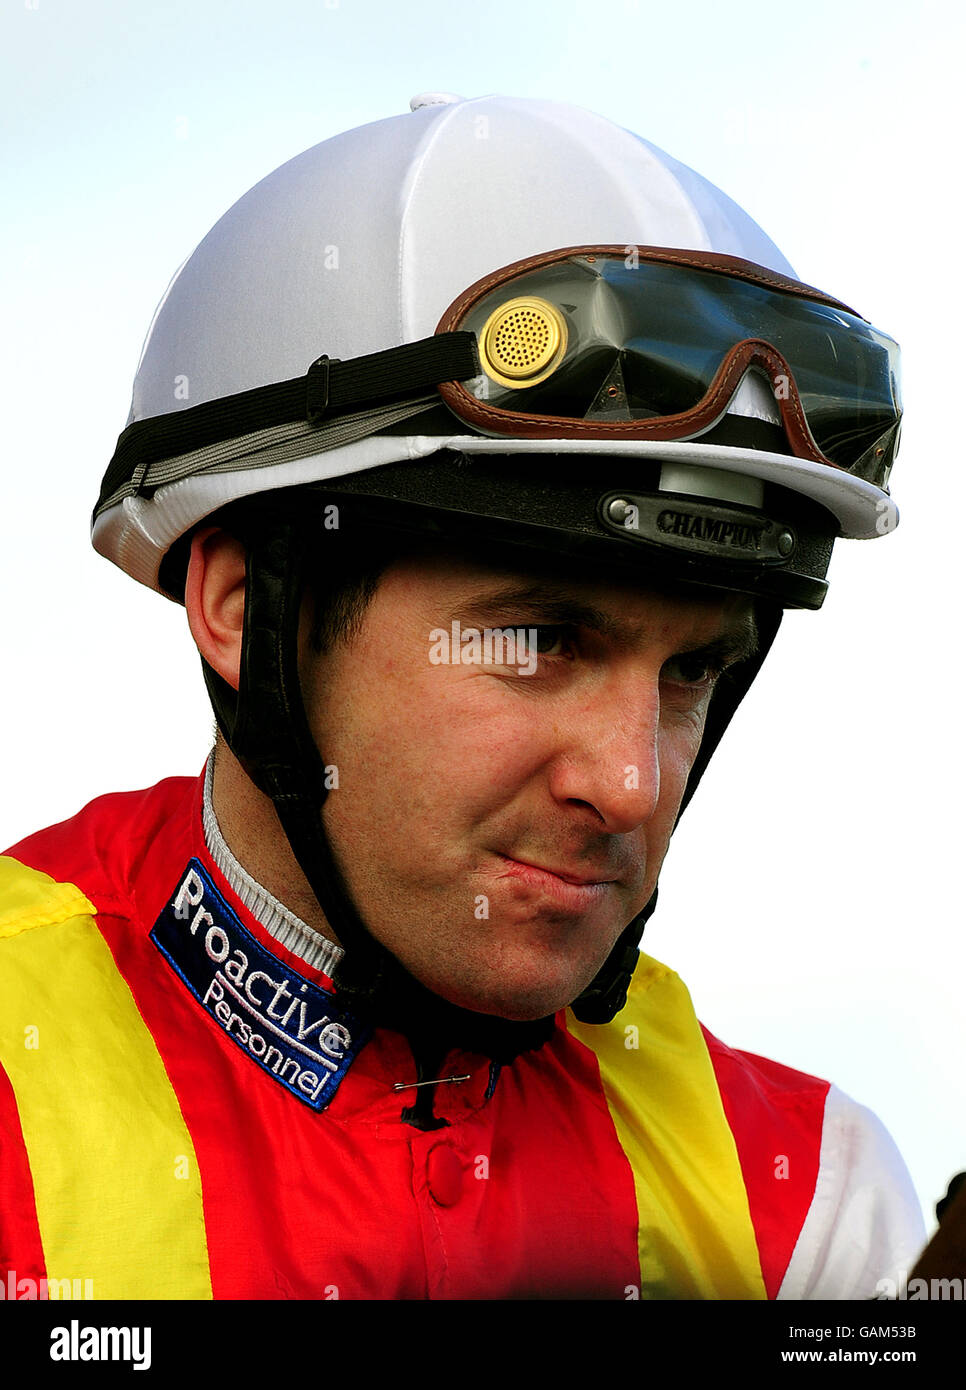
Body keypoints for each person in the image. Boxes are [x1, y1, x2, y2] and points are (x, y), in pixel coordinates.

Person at [0, 92, 924, 1301]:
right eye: (540, 638)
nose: (630, 782)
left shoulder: (819, 1213)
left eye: (691, 668)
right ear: (240, 605)